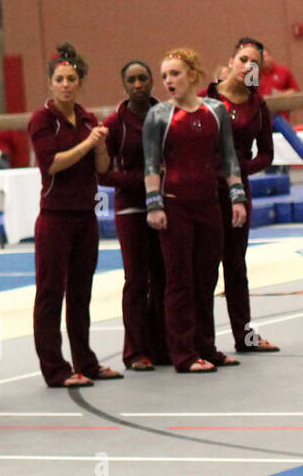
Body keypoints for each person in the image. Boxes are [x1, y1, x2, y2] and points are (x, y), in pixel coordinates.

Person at [144, 48, 247, 373]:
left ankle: (206, 345)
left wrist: (236, 196)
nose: (168, 81)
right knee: (180, 280)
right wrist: (154, 204)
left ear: (191, 74)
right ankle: (184, 353)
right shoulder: (159, 115)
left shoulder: (216, 110)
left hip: (209, 204)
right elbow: (151, 164)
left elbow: (228, 157)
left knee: (206, 277)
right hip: (175, 206)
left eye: (174, 74)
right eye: (164, 76)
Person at [28, 43, 120, 388]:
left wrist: (99, 146)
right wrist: (85, 145)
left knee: (82, 292)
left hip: (85, 216)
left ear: (79, 82)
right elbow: (51, 164)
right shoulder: (42, 119)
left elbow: (101, 169)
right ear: (51, 84)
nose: (66, 84)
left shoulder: (87, 118)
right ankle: (54, 367)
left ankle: (86, 360)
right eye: (60, 79)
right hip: (55, 217)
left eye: (71, 78)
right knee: (51, 292)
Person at [205, 38, 278, 353]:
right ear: (231, 60)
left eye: (255, 63)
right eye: (243, 59)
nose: (248, 66)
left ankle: (244, 337)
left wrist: (239, 169)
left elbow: (267, 155)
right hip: (204, 191)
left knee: (235, 266)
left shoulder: (257, 105)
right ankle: (200, 342)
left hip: (237, 193)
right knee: (204, 267)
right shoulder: (206, 98)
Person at [100, 60, 166, 370]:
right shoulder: (115, 123)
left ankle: (164, 345)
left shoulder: (167, 115)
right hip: (130, 209)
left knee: (164, 277)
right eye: (131, 80)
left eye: (143, 78)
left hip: (166, 206)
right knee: (137, 280)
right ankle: (136, 350)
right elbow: (102, 173)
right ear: (124, 86)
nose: (138, 84)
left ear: (152, 81)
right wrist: (141, 179)